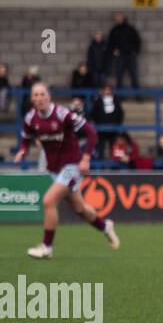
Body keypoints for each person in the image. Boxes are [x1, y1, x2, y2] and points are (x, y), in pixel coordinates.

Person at [15, 81, 119, 258]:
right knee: (79, 209)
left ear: (49, 96)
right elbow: (25, 137)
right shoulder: (30, 118)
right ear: (31, 99)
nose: (39, 98)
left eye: (42, 94)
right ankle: (105, 226)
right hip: (55, 168)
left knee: (48, 201)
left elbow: (92, 132)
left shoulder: (63, 115)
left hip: (72, 166)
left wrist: (86, 159)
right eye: (35, 95)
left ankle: (47, 247)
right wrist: (23, 150)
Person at [108, 12, 142, 93]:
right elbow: (110, 43)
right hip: (120, 56)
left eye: (119, 18)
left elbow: (138, 41)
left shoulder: (130, 29)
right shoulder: (114, 30)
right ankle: (120, 96)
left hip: (130, 56)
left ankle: (138, 96)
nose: (118, 20)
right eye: (116, 19)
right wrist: (113, 50)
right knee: (119, 76)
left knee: (134, 76)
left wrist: (135, 52)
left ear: (123, 18)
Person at [90, 82, 124, 159]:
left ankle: (114, 165)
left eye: (109, 90)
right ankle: (101, 164)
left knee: (113, 146)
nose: (107, 92)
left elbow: (120, 113)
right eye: (105, 90)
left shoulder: (116, 100)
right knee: (101, 147)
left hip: (113, 128)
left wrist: (118, 124)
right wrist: (97, 123)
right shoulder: (98, 101)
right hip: (101, 128)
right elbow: (93, 113)